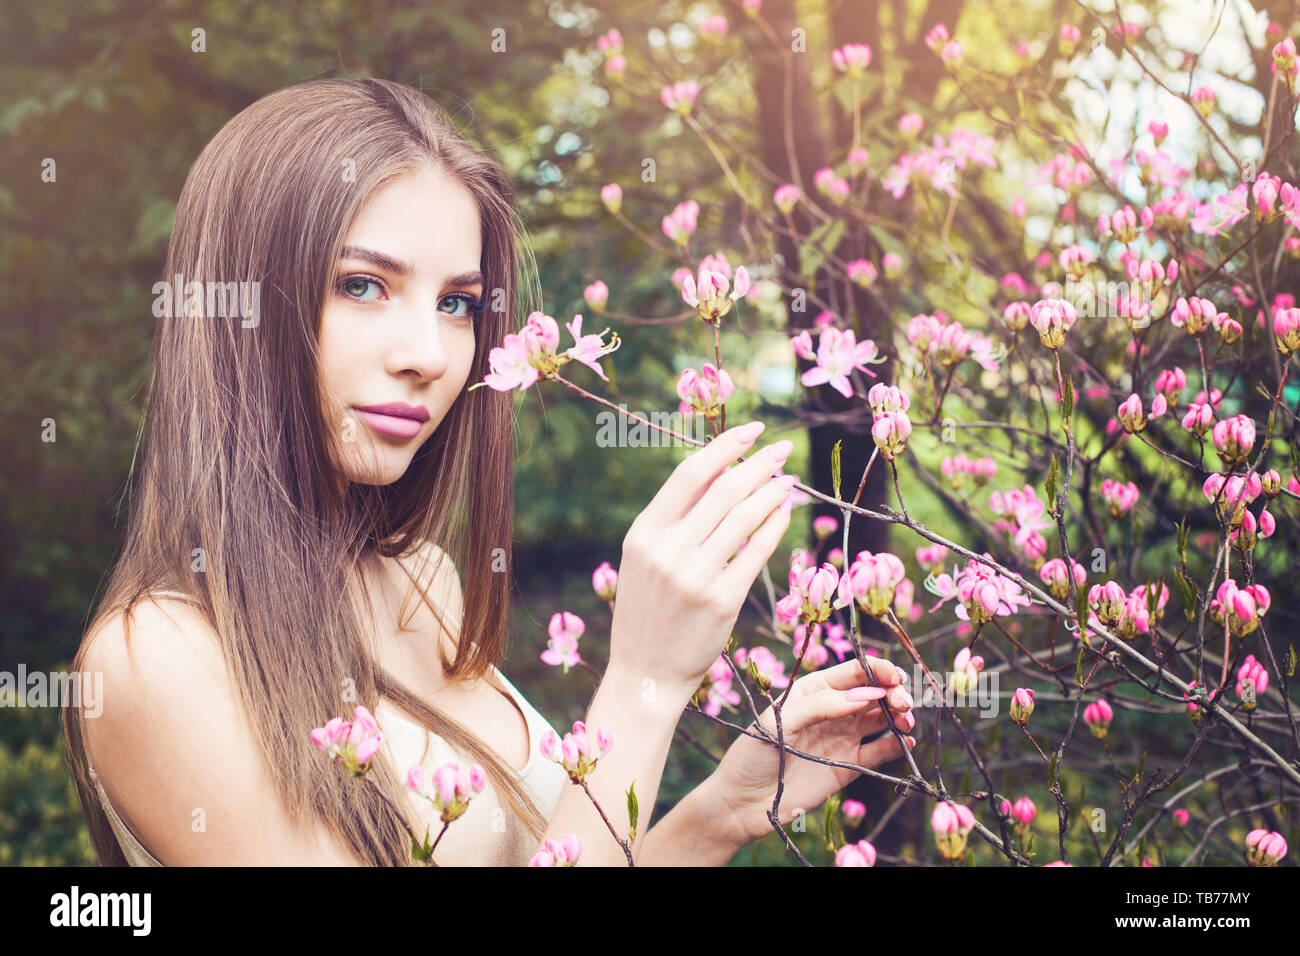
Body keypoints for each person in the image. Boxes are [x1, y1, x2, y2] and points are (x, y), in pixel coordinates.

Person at [63, 77, 914, 867]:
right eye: (362, 285)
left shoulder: (422, 582)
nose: (430, 356)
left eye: (457, 304)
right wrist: (643, 688)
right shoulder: (155, 661)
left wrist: (719, 811)